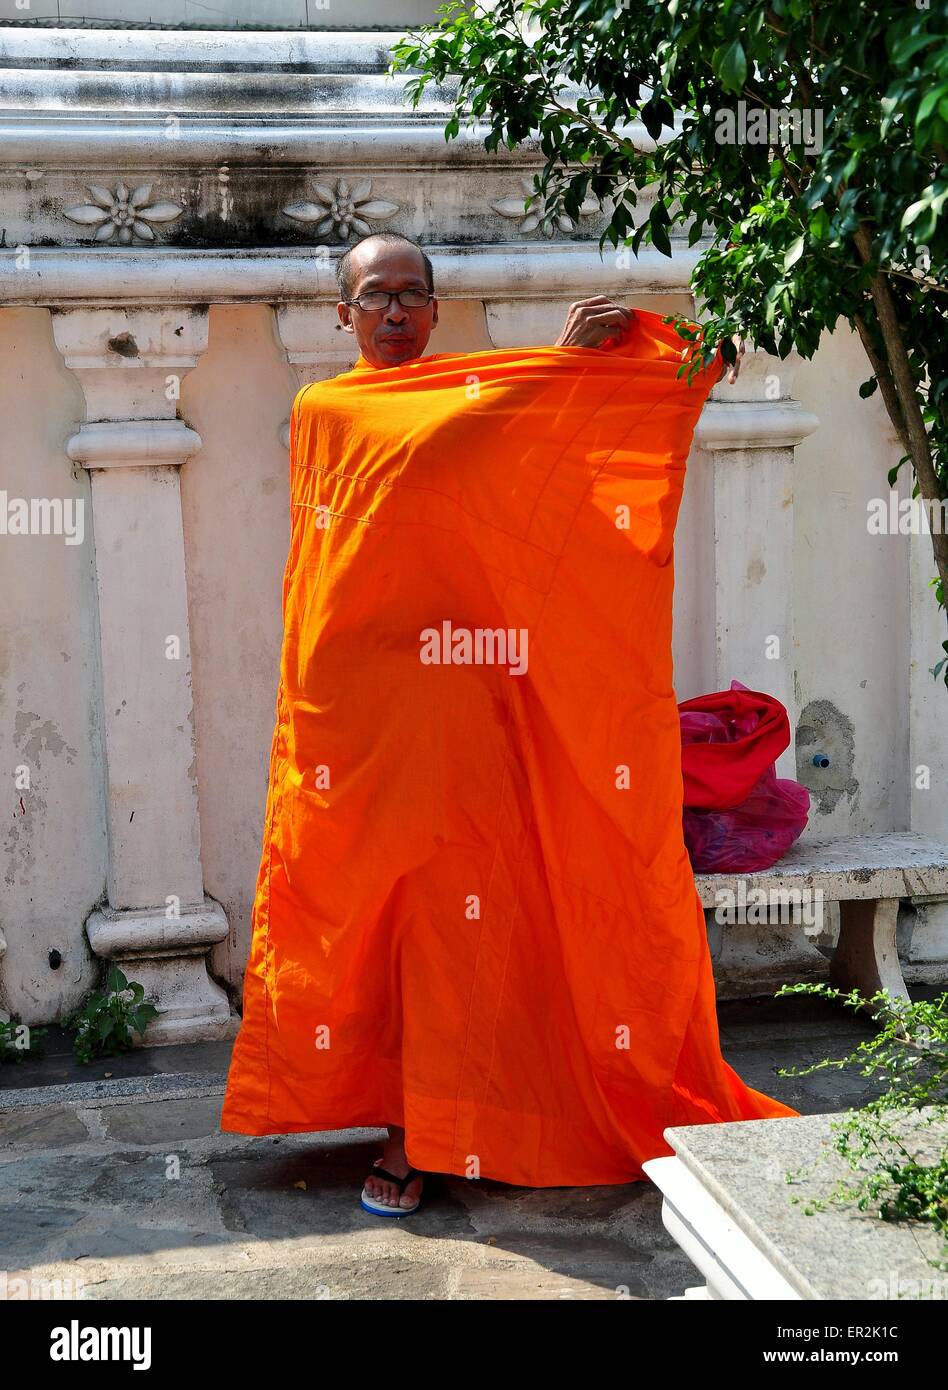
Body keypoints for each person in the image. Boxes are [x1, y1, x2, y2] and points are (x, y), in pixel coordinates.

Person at [220, 232, 783, 1218]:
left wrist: (570, 367)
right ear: (341, 317)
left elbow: (533, 476)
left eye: (412, 296)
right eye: (374, 297)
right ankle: (396, 1114)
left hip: (468, 701)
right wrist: (557, 368)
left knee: (456, 919)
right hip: (355, 708)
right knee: (372, 917)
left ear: (436, 311)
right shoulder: (329, 408)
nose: (394, 312)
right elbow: (353, 536)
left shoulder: (476, 400)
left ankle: (433, 1132)